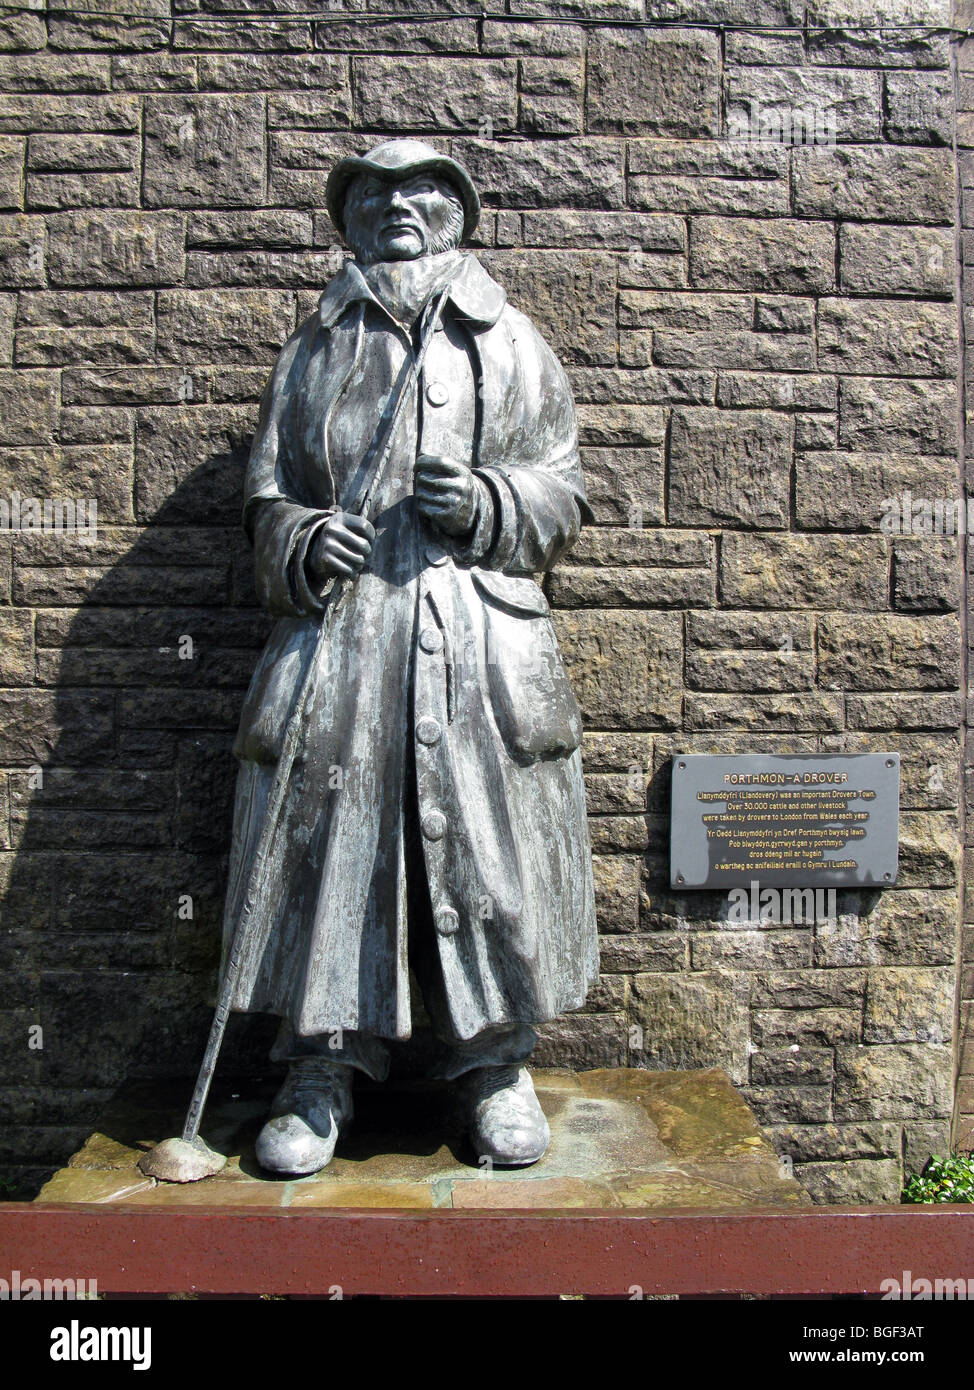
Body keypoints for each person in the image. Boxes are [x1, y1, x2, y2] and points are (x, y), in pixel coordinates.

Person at [223, 138, 598, 1175]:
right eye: (373, 191)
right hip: (344, 647)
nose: (397, 205)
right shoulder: (314, 351)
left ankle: (492, 1063)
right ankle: (320, 1069)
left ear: (457, 209)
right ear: (346, 218)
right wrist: (301, 538)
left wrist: (489, 502)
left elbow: (564, 492)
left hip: (474, 648)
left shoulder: (509, 342)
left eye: (420, 187)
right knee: (329, 844)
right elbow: (263, 499)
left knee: (484, 845)